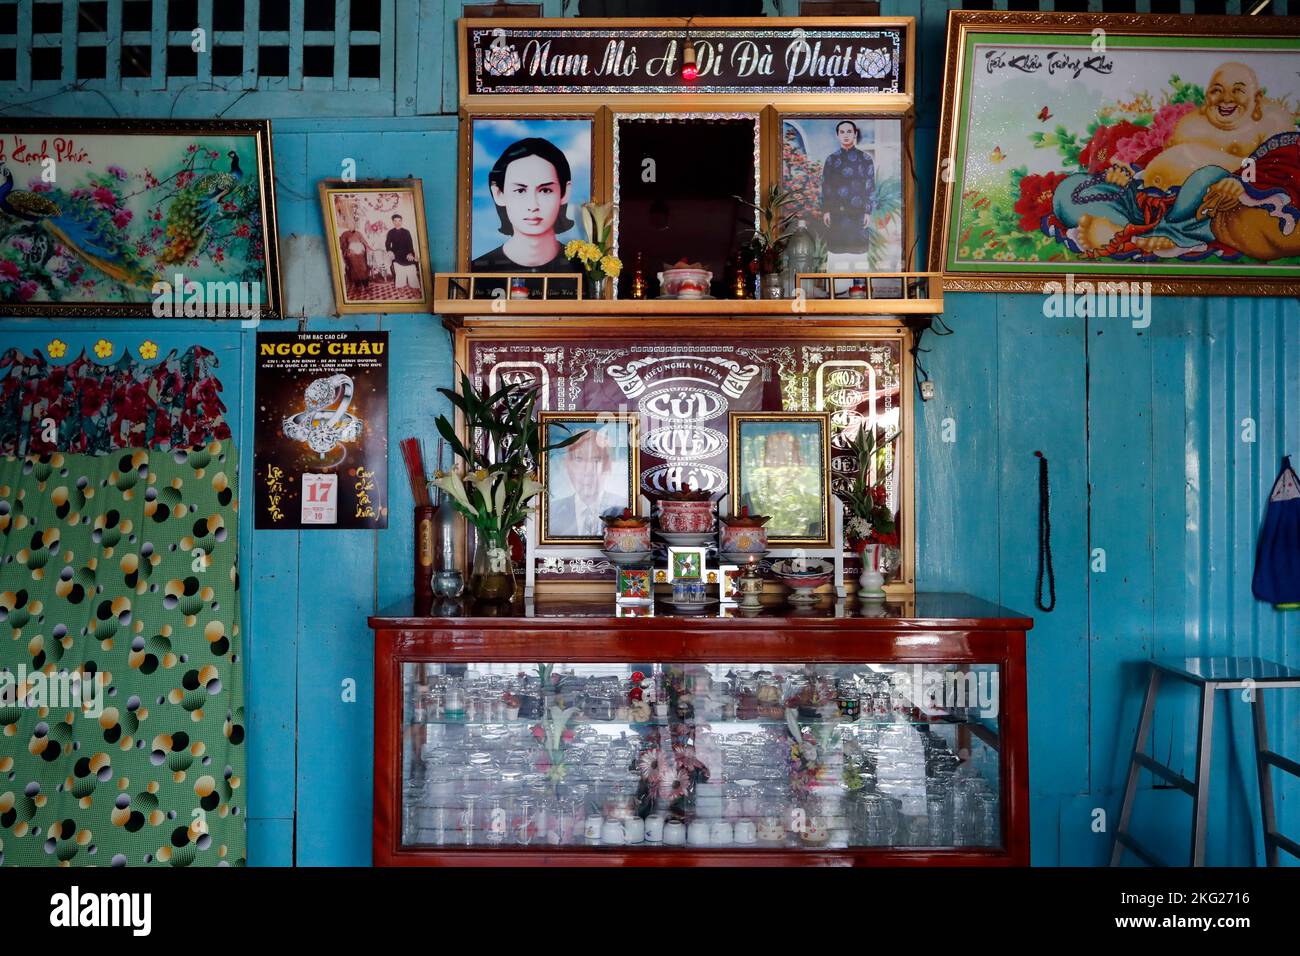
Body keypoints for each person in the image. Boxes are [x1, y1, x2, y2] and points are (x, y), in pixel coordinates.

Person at [1051, 62, 1297, 259]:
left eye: (1238, 90)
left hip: (1195, 206)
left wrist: (1241, 184)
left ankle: (1160, 235)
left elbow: (1278, 168)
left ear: (1257, 96)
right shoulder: (1193, 122)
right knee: (1068, 192)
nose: (1226, 98)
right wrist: (1123, 175)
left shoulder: (1268, 124)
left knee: (1209, 175)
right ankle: (1124, 228)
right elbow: (1156, 157)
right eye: (1217, 90)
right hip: (1143, 195)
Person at [472, 137, 582, 273]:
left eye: (545, 190)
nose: (533, 205)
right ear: (498, 193)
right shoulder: (478, 271)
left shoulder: (586, 270)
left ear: (565, 193)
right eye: (520, 190)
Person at [547, 427, 626, 537]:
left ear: (608, 465)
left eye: (596, 460)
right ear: (567, 465)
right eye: (579, 459)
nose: (588, 471)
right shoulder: (551, 512)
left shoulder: (624, 509)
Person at [820, 120, 876, 255]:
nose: (846, 135)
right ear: (837, 135)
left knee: (859, 254)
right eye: (842, 132)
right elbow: (826, 186)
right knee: (835, 253)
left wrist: (868, 212)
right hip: (836, 212)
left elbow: (870, 186)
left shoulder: (865, 159)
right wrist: (826, 210)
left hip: (858, 213)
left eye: (849, 131)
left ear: (855, 134)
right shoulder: (831, 159)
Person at [385, 213, 420, 291]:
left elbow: (410, 244)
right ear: (393, 222)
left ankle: (414, 287)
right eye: (395, 221)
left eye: (399, 221)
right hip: (396, 254)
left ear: (402, 221)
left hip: (407, 253)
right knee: (399, 270)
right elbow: (387, 244)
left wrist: (411, 253)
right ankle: (401, 286)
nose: (397, 223)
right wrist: (390, 252)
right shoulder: (390, 232)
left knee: (412, 268)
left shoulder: (406, 232)